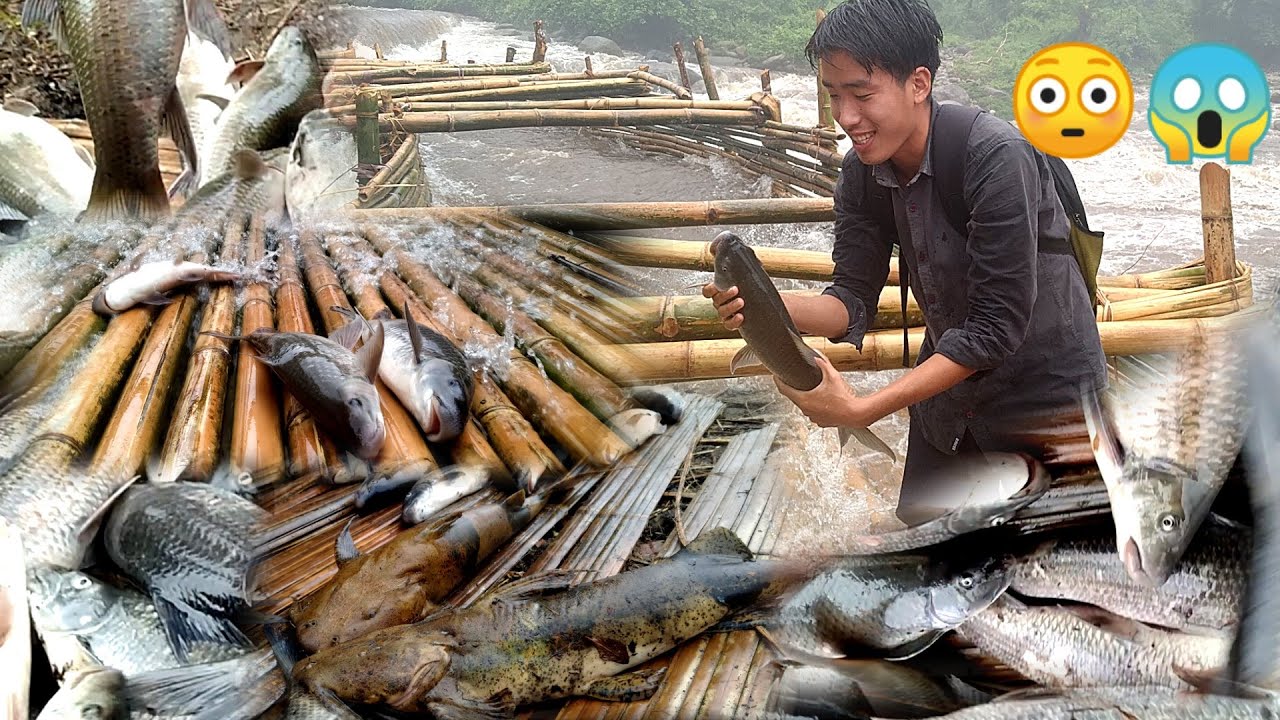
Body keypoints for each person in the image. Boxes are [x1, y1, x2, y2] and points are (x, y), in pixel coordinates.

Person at [702, 0, 1107, 525]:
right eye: (834, 96)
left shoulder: (996, 157)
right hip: (948, 401)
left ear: (919, 83)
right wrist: (761, 305)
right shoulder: (861, 173)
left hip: (1047, 406)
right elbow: (849, 300)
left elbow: (993, 329)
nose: (847, 118)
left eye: (862, 95)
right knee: (921, 560)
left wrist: (862, 409)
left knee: (1046, 580)